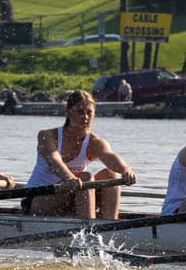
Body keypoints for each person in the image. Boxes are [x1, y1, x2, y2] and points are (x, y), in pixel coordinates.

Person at [25, 89, 137, 219]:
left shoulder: (95, 142)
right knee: (85, 178)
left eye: (89, 113)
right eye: (80, 111)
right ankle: (88, 231)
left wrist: (126, 170)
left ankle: (109, 226)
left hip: (72, 194)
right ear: (67, 112)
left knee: (111, 175)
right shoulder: (47, 136)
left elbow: (109, 156)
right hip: (37, 200)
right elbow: (54, 161)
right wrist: (70, 178)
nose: (85, 117)